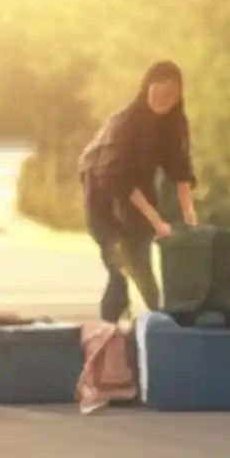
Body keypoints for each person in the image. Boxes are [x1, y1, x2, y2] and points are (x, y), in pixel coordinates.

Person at [78, 61, 197, 323]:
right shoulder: (125, 123)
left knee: (140, 253)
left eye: (172, 95)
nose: (164, 100)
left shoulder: (174, 124)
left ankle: (157, 322)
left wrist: (189, 213)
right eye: (160, 91)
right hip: (102, 190)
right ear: (147, 87)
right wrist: (156, 220)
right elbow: (121, 181)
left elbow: (180, 169)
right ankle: (119, 327)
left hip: (139, 189)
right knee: (119, 260)